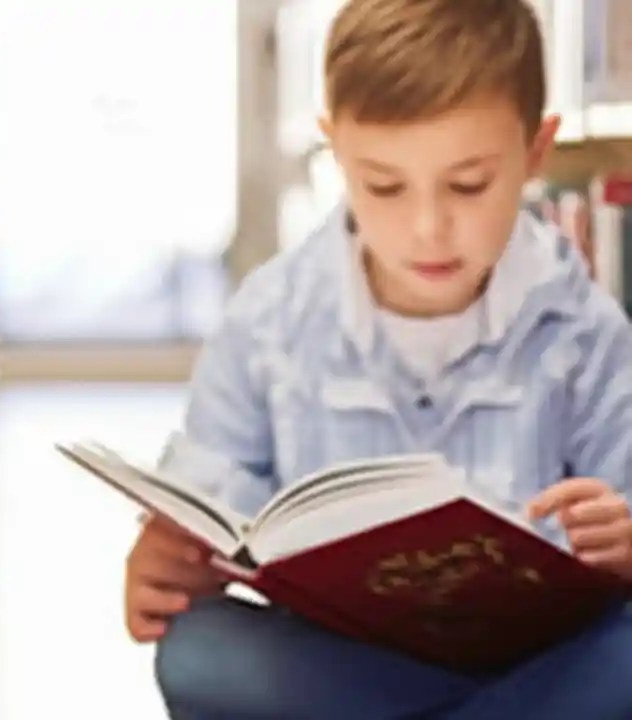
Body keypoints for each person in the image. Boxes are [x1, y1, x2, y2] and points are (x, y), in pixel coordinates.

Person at [126, 0, 632, 717]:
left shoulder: (584, 326)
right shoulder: (268, 317)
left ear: (536, 151)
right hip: (343, 663)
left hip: (536, 658)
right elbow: (204, 516)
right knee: (199, 651)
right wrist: (163, 569)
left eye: (468, 184)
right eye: (384, 186)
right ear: (335, 152)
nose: (427, 227)